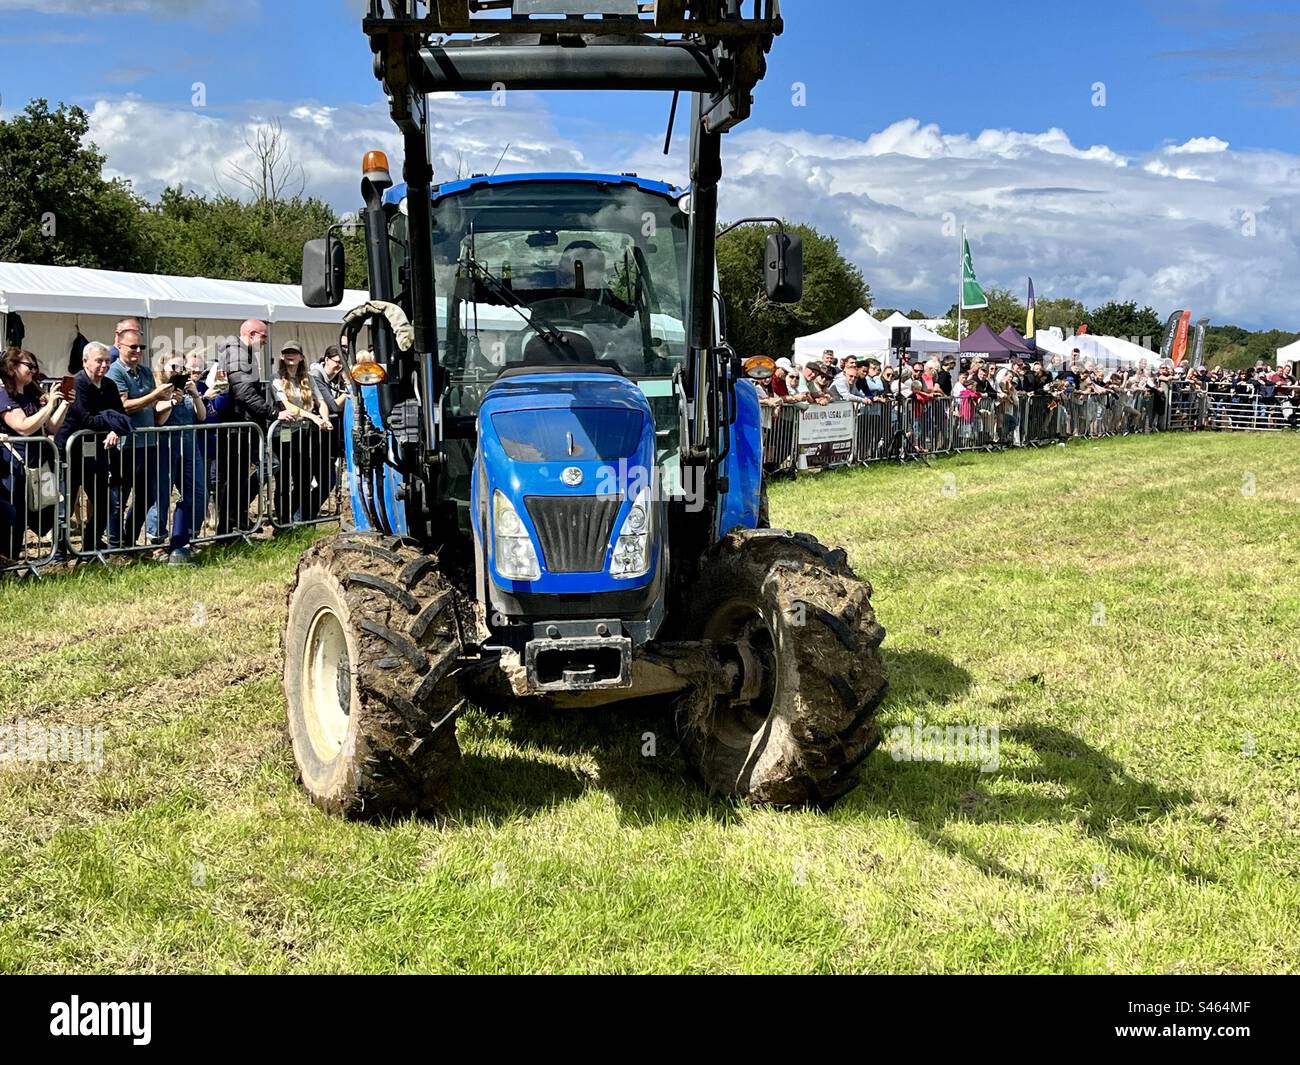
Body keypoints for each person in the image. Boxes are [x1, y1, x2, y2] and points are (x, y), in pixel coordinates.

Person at [214, 319, 293, 536]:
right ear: (251, 334)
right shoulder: (237, 353)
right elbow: (243, 393)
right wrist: (274, 412)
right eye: (264, 336)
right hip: (237, 427)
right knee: (235, 478)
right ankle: (228, 528)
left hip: (242, 425)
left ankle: (234, 521)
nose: (266, 341)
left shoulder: (242, 352)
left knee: (240, 477)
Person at [54, 343, 132, 558]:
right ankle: (59, 555)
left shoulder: (109, 385)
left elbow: (123, 416)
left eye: (107, 360)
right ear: (85, 361)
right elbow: (85, 419)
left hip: (97, 453)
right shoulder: (77, 384)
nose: (105, 365)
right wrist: (111, 421)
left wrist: (114, 428)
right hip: (69, 451)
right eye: (99, 360)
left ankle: (90, 549)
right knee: (65, 506)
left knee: (104, 503)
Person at [105, 329, 172, 550]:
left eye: (141, 347)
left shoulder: (144, 372)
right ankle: (116, 546)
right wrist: (155, 395)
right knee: (119, 499)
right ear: (120, 347)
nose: (137, 351)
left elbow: (152, 406)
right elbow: (124, 405)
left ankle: (129, 540)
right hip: (125, 445)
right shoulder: (114, 372)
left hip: (149, 442)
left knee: (146, 496)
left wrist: (171, 401)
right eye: (132, 347)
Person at [0, 348, 69, 557]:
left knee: (33, 514)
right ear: (12, 368)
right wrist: (48, 406)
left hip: (34, 465)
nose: (33, 371)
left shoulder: (29, 394)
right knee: (14, 516)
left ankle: (13, 560)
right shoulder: (3, 395)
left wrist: (63, 403)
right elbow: (23, 426)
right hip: (12, 464)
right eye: (29, 366)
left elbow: (51, 428)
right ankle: (7, 561)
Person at [149, 351, 208, 564]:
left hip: (190, 446)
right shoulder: (159, 389)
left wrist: (195, 395)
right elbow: (160, 418)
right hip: (165, 445)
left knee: (198, 492)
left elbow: (201, 416)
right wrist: (172, 401)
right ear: (163, 368)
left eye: (182, 368)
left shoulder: (189, 388)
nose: (178, 372)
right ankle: (157, 542)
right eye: (174, 367)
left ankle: (185, 537)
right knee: (161, 495)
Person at [270, 341, 331, 524]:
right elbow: (286, 406)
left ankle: (297, 518)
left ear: (301, 357)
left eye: (294, 352)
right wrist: (313, 418)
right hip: (282, 434)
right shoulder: (276, 377)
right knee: (283, 480)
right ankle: (282, 521)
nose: (290, 355)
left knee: (303, 478)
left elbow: (321, 402)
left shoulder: (308, 378)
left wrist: (325, 418)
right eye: (286, 352)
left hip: (303, 434)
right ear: (282, 356)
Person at [308, 345, 352, 507]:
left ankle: (307, 516)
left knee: (328, 481)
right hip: (312, 438)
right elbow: (333, 406)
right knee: (315, 481)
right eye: (337, 362)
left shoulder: (335, 378)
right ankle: (300, 517)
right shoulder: (315, 377)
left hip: (326, 439)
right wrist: (347, 390)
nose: (340, 366)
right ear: (326, 359)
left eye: (343, 363)